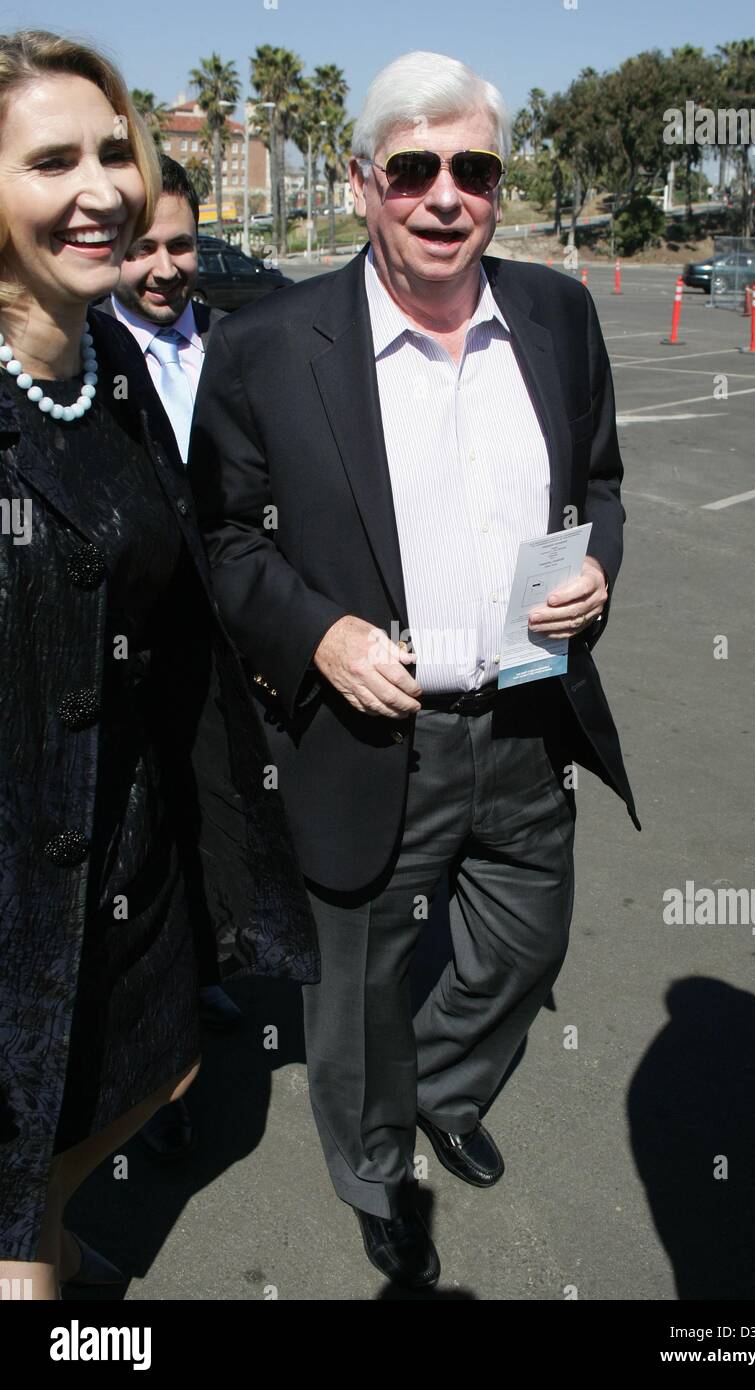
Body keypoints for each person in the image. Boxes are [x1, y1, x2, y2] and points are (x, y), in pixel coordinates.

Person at [189, 49, 639, 1291]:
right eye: (414, 168)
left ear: (497, 181)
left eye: (474, 168)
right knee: (360, 993)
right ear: (362, 180)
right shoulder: (271, 344)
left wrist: (597, 564)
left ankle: (440, 1088)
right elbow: (218, 535)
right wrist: (319, 634)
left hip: (525, 718)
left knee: (521, 946)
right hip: (370, 734)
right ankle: (377, 1167)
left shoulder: (554, 312)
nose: (446, 196)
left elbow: (598, 481)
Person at [0, 29, 317, 1301]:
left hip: (130, 865)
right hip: (16, 900)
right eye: (50, 161)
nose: (102, 189)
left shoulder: (112, 358)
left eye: (113, 153)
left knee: (162, 1074)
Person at [95, 155, 252, 1159]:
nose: (163, 266)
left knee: (212, 825)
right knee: (130, 867)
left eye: (181, 244)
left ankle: (201, 975)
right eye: (141, 245)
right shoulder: (78, 359)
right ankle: (146, 1086)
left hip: (221, 649)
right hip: (122, 661)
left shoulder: (235, 344)